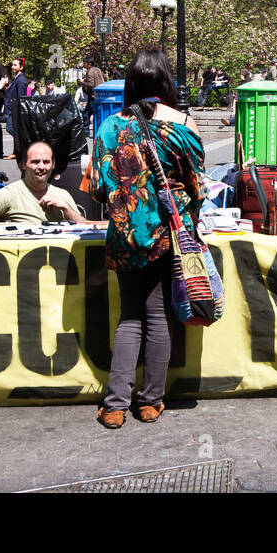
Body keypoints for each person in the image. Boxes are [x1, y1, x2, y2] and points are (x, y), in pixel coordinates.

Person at [90, 49, 204, 428]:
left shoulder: (109, 128)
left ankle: (115, 405)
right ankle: (151, 401)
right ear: (166, 82)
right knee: (158, 316)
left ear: (132, 84)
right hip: (165, 237)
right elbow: (197, 186)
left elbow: (96, 189)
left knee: (129, 316)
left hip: (124, 236)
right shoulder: (182, 124)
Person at [0, 141, 86, 224]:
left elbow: (87, 228)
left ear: (53, 165)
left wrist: (66, 208)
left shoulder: (62, 195)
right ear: (23, 165)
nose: (41, 167)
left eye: (46, 162)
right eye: (35, 162)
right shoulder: (10, 193)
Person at [3, 57, 29, 142]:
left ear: (21, 67)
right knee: (13, 130)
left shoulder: (21, 80)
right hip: (12, 109)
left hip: (15, 110)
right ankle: (18, 150)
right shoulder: (16, 78)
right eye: (12, 65)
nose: (12, 67)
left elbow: (21, 97)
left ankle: (24, 142)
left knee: (10, 128)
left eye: (15, 65)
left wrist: (18, 111)